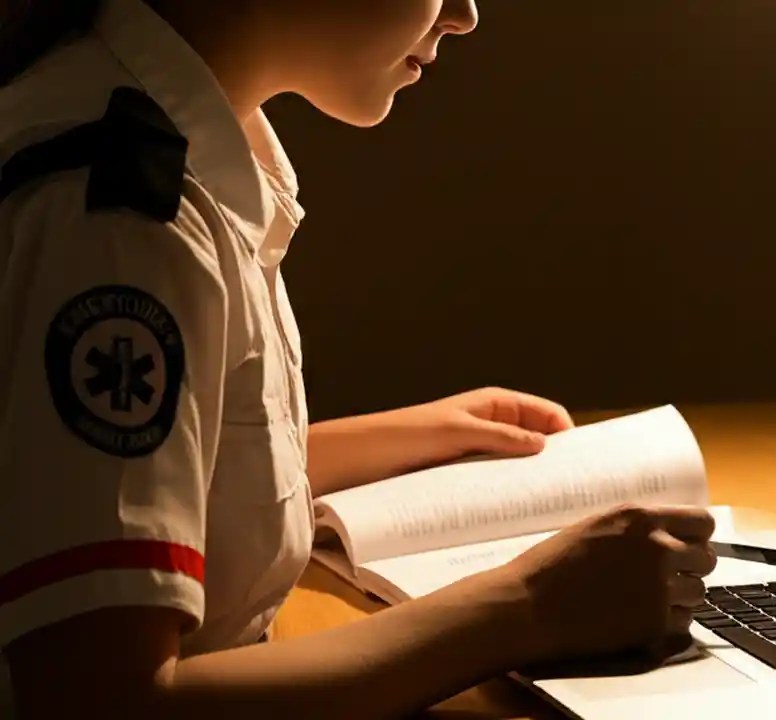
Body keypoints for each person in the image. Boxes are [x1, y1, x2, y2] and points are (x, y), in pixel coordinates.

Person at [0, 0, 717, 717]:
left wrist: (404, 440)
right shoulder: (119, 220)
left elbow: (152, 487)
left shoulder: (164, 132)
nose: (464, 15)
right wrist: (529, 605)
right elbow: (106, 699)